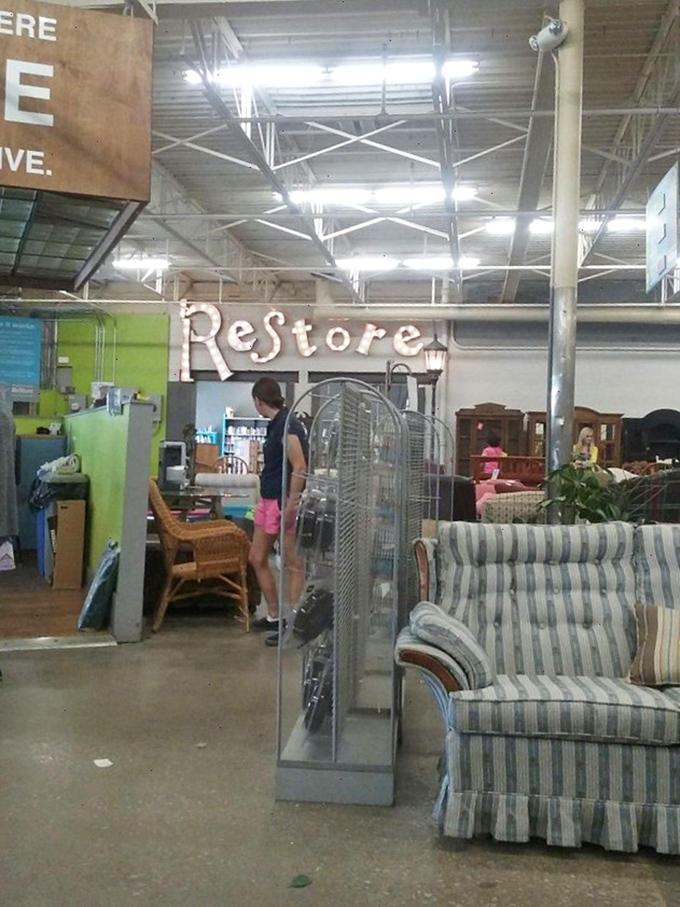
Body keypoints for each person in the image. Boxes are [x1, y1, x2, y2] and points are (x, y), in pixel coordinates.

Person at [248, 377, 308, 647]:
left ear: (259, 401)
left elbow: (300, 466)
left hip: (283, 501)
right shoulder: (277, 424)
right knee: (257, 557)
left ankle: (295, 626)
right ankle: (275, 615)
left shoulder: (287, 424)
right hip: (270, 498)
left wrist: (292, 503)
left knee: (293, 564)